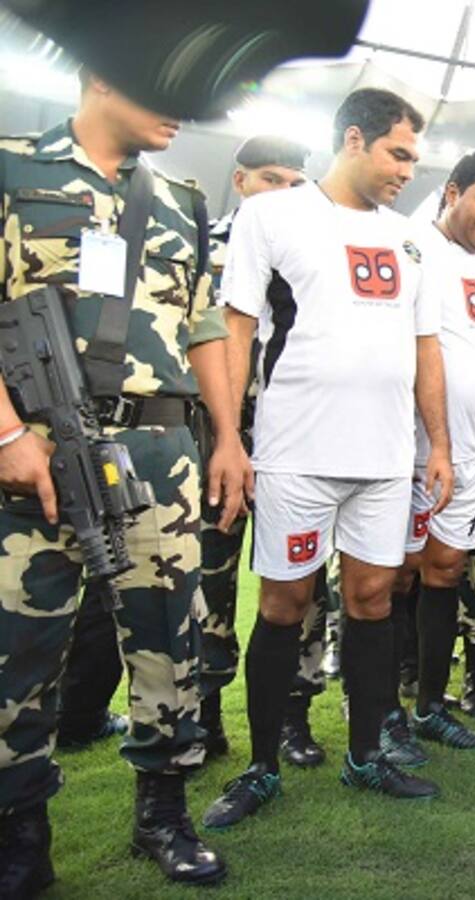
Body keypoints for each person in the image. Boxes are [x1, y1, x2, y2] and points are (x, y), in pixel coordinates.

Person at [0, 68, 248, 888]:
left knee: (167, 637)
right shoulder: (13, 168)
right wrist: (6, 435)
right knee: (18, 651)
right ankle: (19, 837)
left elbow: (203, 323)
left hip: (159, 450)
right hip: (34, 454)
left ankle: (163, 814)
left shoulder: (182, 197)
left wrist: (227, 439)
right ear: (104, 74)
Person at [203, 88, 452, 828]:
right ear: (354, 139)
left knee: (373, 600)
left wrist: (437, 444)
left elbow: (426, 345)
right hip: (296, 451)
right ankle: (261, 768)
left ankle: (365, 753)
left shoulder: (413, 240)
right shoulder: (272, 215)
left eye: (414, 157)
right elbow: (237, 329)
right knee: (285, 605)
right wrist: (229, 436)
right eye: (398, 153)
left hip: (383, 458)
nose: (408, 170)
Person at [194, 134, 324, 769]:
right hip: (218, 428)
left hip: (295, 430)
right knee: (210, 577)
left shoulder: (314, 244)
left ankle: (293, 717)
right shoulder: (200, 244)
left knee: (302, 579)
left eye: (296, 183)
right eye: (271, 179)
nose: (284, 194)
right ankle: (205, 714)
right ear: (239, 180)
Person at [401, 151, 475, 751]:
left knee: (446, 569)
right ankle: (378, 709)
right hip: (410, 448)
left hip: (471, 452)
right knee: (392, 574)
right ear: (452, 193)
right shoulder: (413, 247)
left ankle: (428, 704)